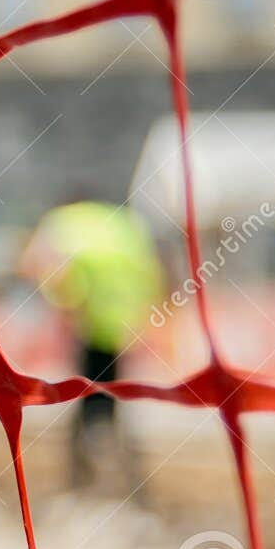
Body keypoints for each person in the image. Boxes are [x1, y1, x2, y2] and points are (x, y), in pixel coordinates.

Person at [27, 198, 163, 492]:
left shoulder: (63, 224)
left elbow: (54, 273)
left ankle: (86, 470)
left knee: (87, 395)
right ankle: (112, 467)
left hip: (90, 325)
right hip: (121, 326)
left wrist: (66, 307)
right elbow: (150, 273)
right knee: (109, 394)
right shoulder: (124, 229)